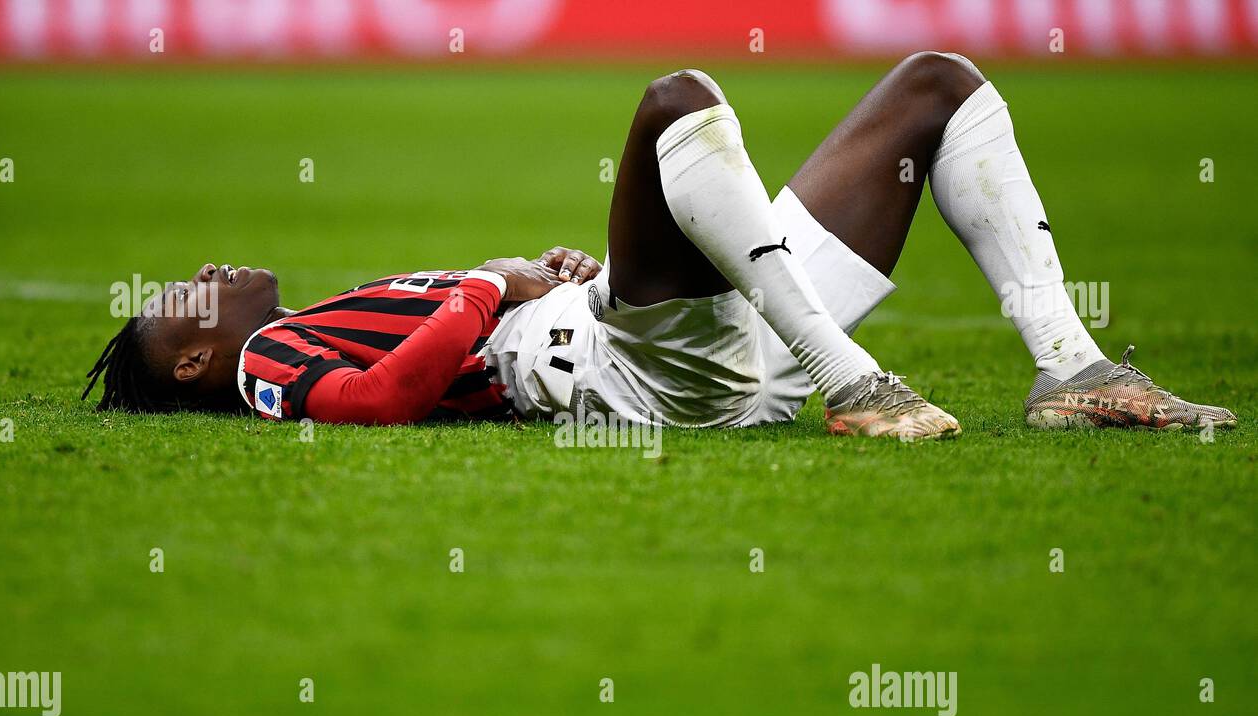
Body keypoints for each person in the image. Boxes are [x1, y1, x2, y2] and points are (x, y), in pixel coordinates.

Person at [83, 52, 1236, 439]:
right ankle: (852, 382)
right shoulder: (265, 363)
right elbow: (380, 403)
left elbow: (451, 341)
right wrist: (497, 283)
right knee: (673, 98)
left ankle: (1069, 367)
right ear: (196, 360)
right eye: (188, 297)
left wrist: (537, 279)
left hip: (683, 345)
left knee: (936, 88)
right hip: (635, 369)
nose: (209, 274)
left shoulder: (298, 321)